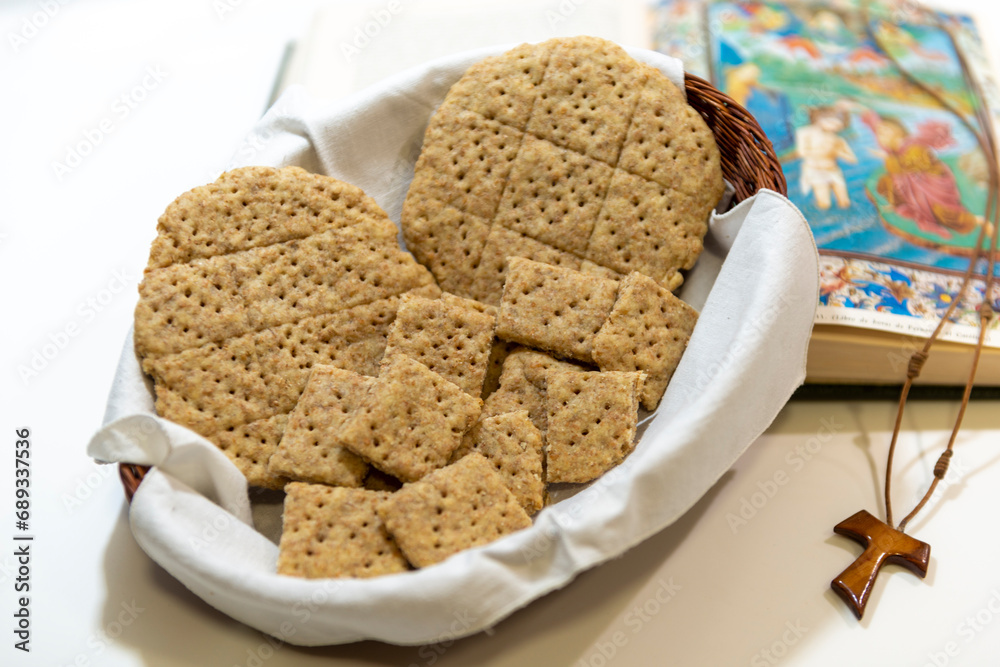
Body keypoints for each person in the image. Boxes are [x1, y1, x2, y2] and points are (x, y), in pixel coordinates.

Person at [862, 111, 979, 238]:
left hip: (932, 185)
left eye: (884, 132)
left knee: (945, 214)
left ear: (895, 131)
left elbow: (910, 166)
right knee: (886, 182)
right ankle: (904, 205)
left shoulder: (914, 146)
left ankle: (979, 221)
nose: (880, 136)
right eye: (880, 133)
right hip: (915, 182)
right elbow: (876, 128)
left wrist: (888, 158)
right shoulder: (894, 145)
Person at [795, 105, 857, 210]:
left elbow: (852, 159)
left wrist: (838, 152)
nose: (835, 126)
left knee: (844, 202)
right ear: (819, 119)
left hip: (833, 170)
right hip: (815, 170)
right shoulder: (805, 133)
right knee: (824, 203)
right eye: (831, 122)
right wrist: (821, 151)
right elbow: (802, 152)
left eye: (838, 123)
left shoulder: (838, 140)